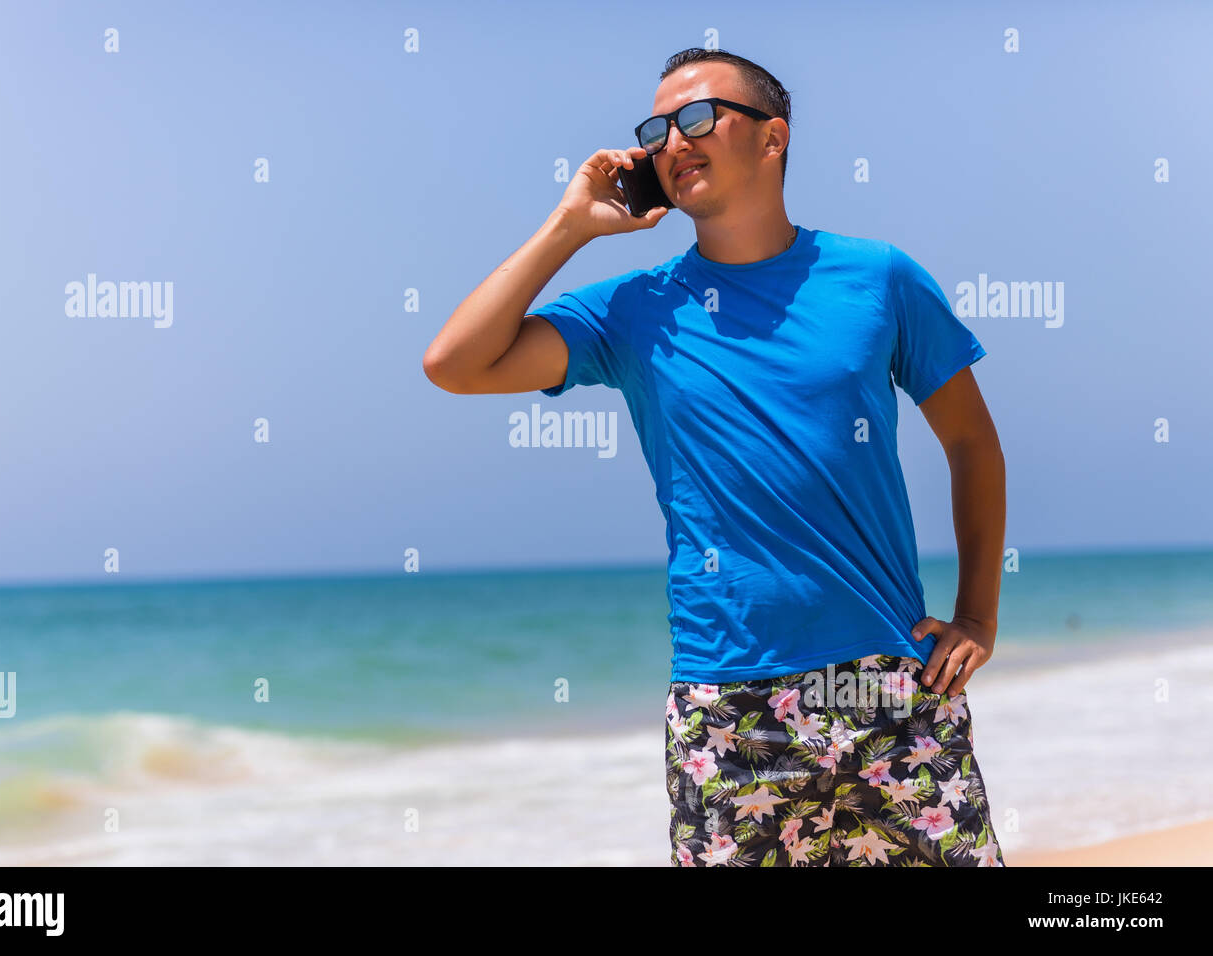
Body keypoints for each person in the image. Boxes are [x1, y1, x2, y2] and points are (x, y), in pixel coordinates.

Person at [423, 47, 1006, 867]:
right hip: (727, 702)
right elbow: (455, 363)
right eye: (657, 128)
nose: (672, 140)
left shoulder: (878, 279)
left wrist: (977, 615)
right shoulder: (636, 310)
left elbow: (972, 442)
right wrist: (570, 227)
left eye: (698, 117)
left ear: (774, 140)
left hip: (887, 683)